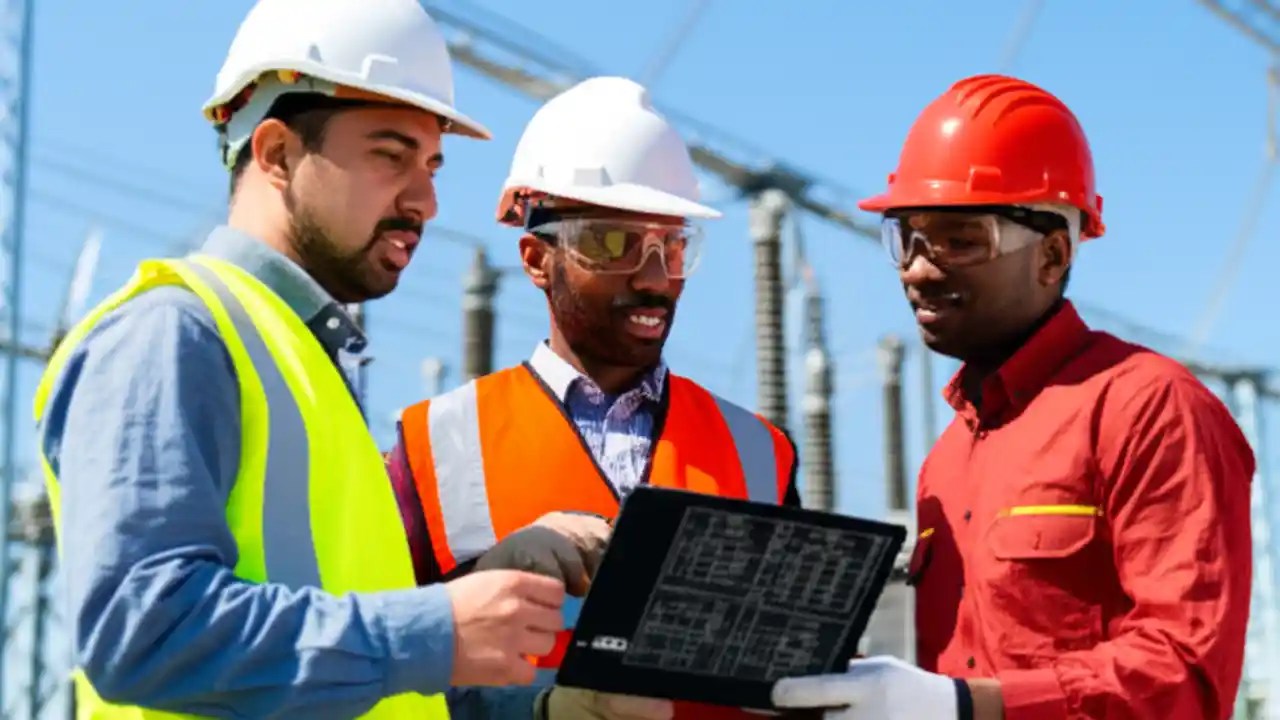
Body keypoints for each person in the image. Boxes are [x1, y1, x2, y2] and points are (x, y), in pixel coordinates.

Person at [31, 1, 570, 717]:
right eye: (390, 155)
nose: (427, 201)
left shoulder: (306, 365)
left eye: (433, 165)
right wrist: (435, 629)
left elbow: (360, 680)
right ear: (277, 152)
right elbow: (144, 631)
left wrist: (545, 705)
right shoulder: (173, 333)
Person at [771, 73, 1255, 720]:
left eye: (959, 239)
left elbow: (1184, 676)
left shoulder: (1152, 410)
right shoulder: (947, 460)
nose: (917, 267)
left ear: (1053, 254)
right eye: (907, 237)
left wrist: (969, 707)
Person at [383, 76, 803, 719]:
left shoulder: (762, 454)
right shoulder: (435, 445)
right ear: (535, 259)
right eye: (614, 244)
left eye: (673, 245)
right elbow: (375, 667)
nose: (656, 278)